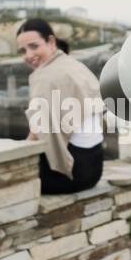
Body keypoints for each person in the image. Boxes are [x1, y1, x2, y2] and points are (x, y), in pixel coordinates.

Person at [17, 17, 105, 194]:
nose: (28, 55)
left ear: (51, 42)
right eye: (22, 50)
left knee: (12, 179)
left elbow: (36, 132)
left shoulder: (47, 76)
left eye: (34, 46)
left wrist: (16, 155)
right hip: (94, 170)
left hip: (70, 176)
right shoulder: (73, 65)